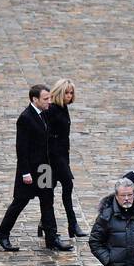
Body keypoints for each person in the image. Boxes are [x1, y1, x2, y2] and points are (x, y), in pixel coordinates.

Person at [0, 85, 73, 254]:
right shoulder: (25, 118)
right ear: (34, 100)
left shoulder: (45, 114)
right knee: (19, 202)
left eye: (50, 98)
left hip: (44, 169)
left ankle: (51, 238)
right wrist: (25, 173)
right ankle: (2, 234)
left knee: (47, 202)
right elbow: (21, 149)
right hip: (30, 171)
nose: (49, 101)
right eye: (46, 99)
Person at [39, 77, 86, 240]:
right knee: (63, 187)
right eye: (66, 92)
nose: (69, 95)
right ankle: (71, 223)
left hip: (62, 156)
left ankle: (46, 223)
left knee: (58, 190)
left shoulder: (63, 108)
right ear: (59, 93)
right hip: (52, 158)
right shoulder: (51, 109)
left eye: (71, 93)